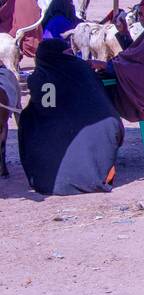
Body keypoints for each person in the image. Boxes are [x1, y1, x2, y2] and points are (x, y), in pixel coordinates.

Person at [18, 28, 124, 194]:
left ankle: (47, 172)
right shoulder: (82, 68)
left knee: (27, 119)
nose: (70, 56)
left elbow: (47, 108)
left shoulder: (41, 77)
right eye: (68, 52)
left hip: (50, 178)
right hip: (107, 128)